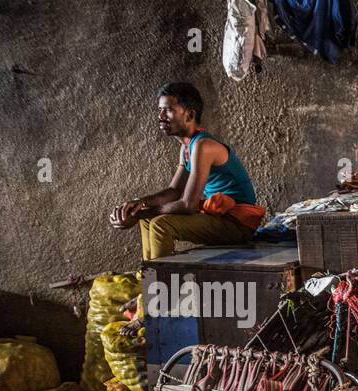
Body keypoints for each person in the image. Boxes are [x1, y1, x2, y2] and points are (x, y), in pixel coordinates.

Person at [108, 82, 263, 260]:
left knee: (161, 224)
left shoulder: (203, 146)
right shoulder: (188, 147)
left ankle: (162, 285)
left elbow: (188, 205)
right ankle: (150, 276)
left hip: (237, 224)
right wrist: (138, 204)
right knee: (147, 220)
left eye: (168, 110)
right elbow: (174, 191)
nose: (160, 116)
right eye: (160, 110)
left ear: (189, 115)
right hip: (219, 217)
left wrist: (140, 213)